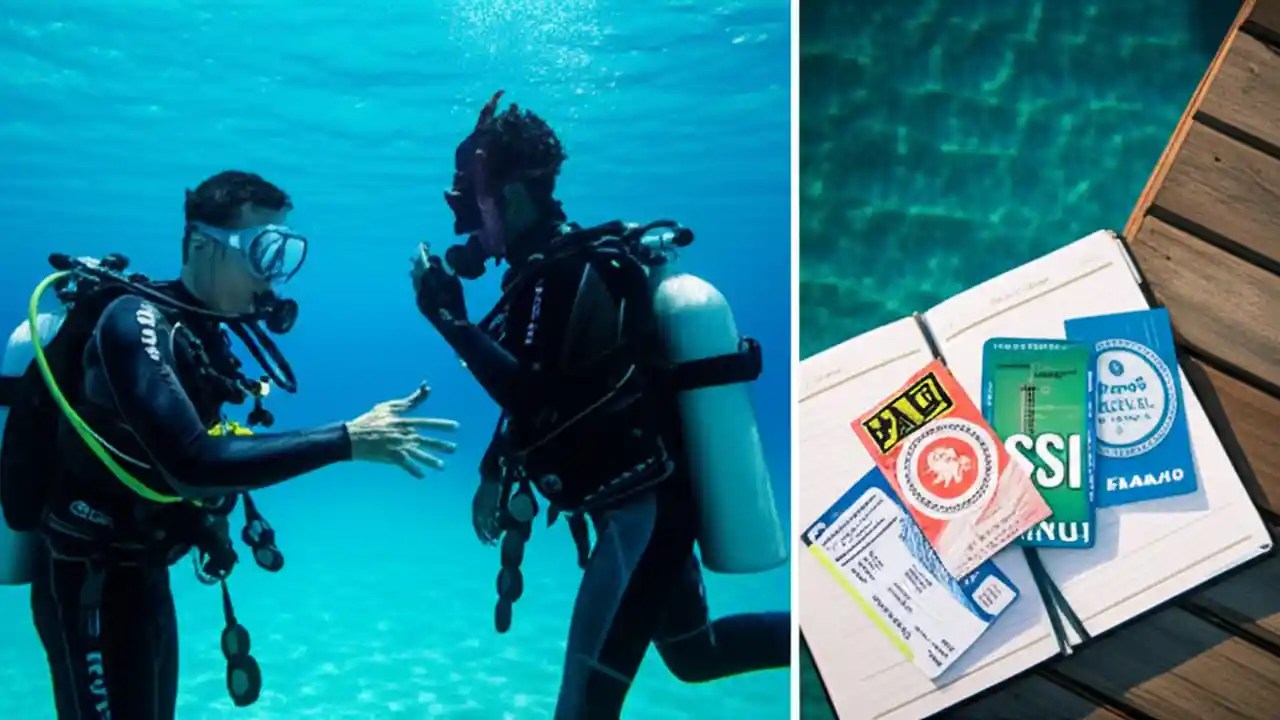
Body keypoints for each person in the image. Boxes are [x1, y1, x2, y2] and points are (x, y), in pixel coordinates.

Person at [0, 170, 460, 720]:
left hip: (140, 573)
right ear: (200, 246)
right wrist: (347, 439)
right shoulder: (133, 322)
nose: (275, 275)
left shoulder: (202, 334)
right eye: (264, 250)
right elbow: (191, 462)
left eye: (285, 252)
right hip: (86, 581)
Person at [411, 92, 788, 719]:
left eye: (467, 204)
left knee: (582, 709)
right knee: (698, 656)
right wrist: (490, 470)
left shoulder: (565, 274)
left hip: (639, 519)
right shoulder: (552, 272)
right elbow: (554, 390)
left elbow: (535, 394)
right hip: (654, 507)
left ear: (505, 198)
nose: (464, 229)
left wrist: (449, 319)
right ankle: (814, 631)